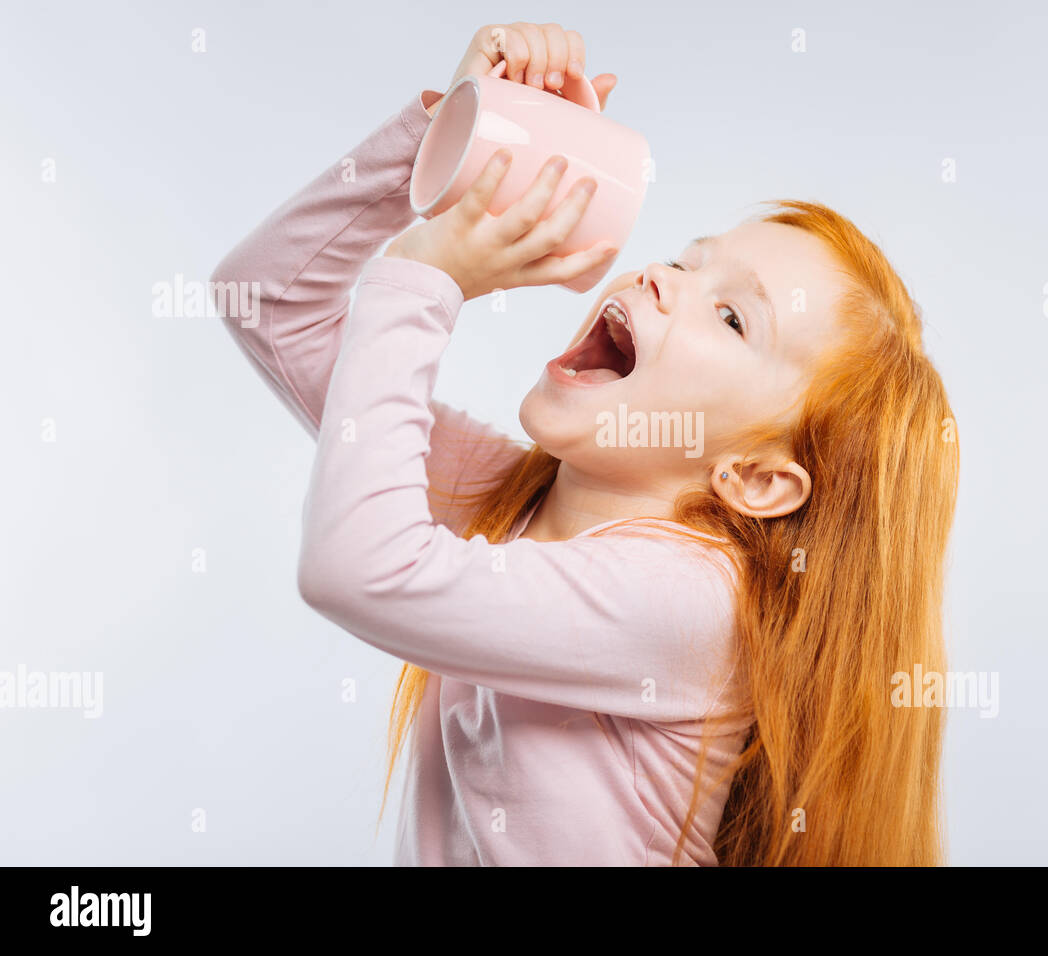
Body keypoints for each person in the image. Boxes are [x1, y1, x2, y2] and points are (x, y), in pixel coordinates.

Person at [211, 21, 959, 866]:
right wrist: (454, 137)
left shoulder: (695, 603)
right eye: (687, 261)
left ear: (752, 478)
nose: (662, 279)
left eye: (732, 316)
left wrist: (430, 277)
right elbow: (265, 299)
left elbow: (358, 568)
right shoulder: (514, 503)